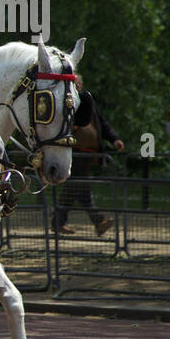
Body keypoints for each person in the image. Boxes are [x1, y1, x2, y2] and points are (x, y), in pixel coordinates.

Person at [53, 76, 123, 236]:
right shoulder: (65, 101)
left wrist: (114, 139)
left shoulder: (87, 101)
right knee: (80, 187)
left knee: (72, 189)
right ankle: (98, 220)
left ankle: (58, 223)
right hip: (75, 151)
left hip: (88, 152)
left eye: (78, 83)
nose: (76, 86)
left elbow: (101, 122)